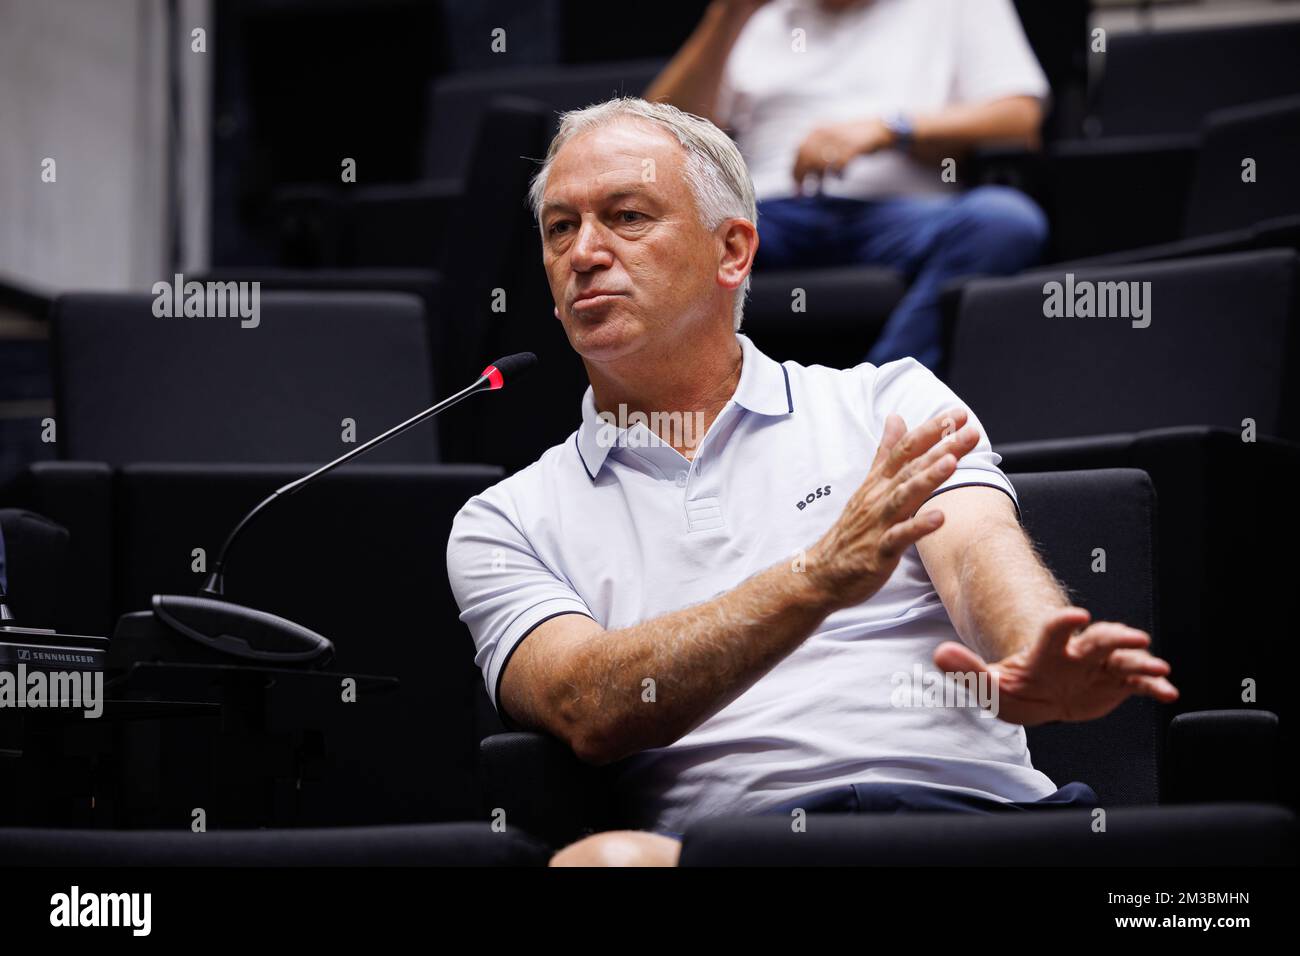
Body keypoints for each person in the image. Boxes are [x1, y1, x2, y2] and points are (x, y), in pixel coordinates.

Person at [446, 97, 1176, 867]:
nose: (585, 251)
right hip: (745, 849)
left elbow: (977, 551)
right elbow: (587, 706)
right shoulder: (506, 520)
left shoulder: (888, 401)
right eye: (561, 227)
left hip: (974, 824)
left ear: (732, 250)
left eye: (627, 217)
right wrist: (816, 577)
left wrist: (1028, 646)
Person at [645, 0, 1052, 370]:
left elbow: (1019, 117)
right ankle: (692, 417)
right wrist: (726, 16)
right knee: (655, 238)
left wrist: (890, 129)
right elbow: (651, 136)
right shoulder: (756, 19)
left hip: (901, 214)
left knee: (1005, 221)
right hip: (767, 215)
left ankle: (880, 398)